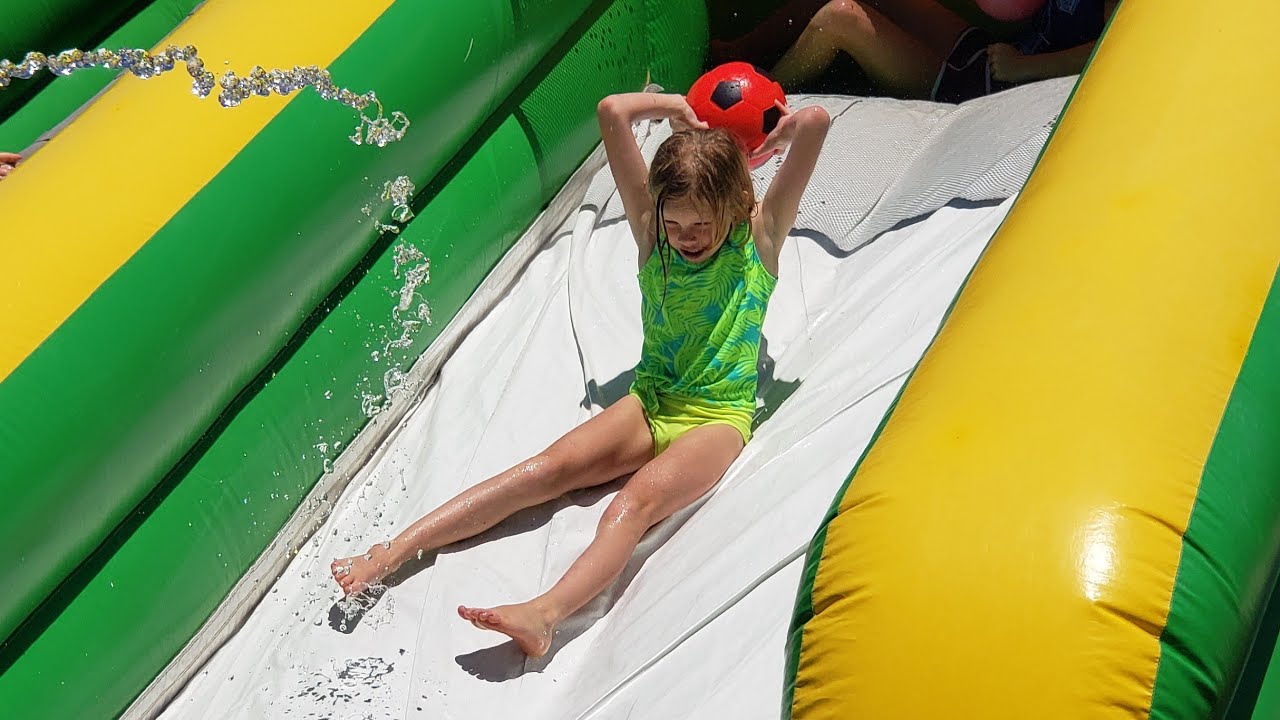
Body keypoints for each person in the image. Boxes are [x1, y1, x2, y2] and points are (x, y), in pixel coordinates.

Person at [331, 91, 830, 657]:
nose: (688, 237)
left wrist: (774, 141)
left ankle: (544, 616)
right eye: (676, 223)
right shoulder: (654, 240)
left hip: (715, 419)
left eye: (702, 225)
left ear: (737, 208)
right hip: (651, 399)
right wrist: (671, 107)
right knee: (544, 469)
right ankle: (395, 549)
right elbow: (612, 111)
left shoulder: (757, 242)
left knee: (631, 505)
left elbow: (815, 120)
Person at [713, 0, 1117, 101]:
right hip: (991, 52)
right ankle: (731, 52)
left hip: (990, 86)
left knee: (842, 17)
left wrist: (1024, 68)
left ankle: (755, 102)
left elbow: (1109, 51)